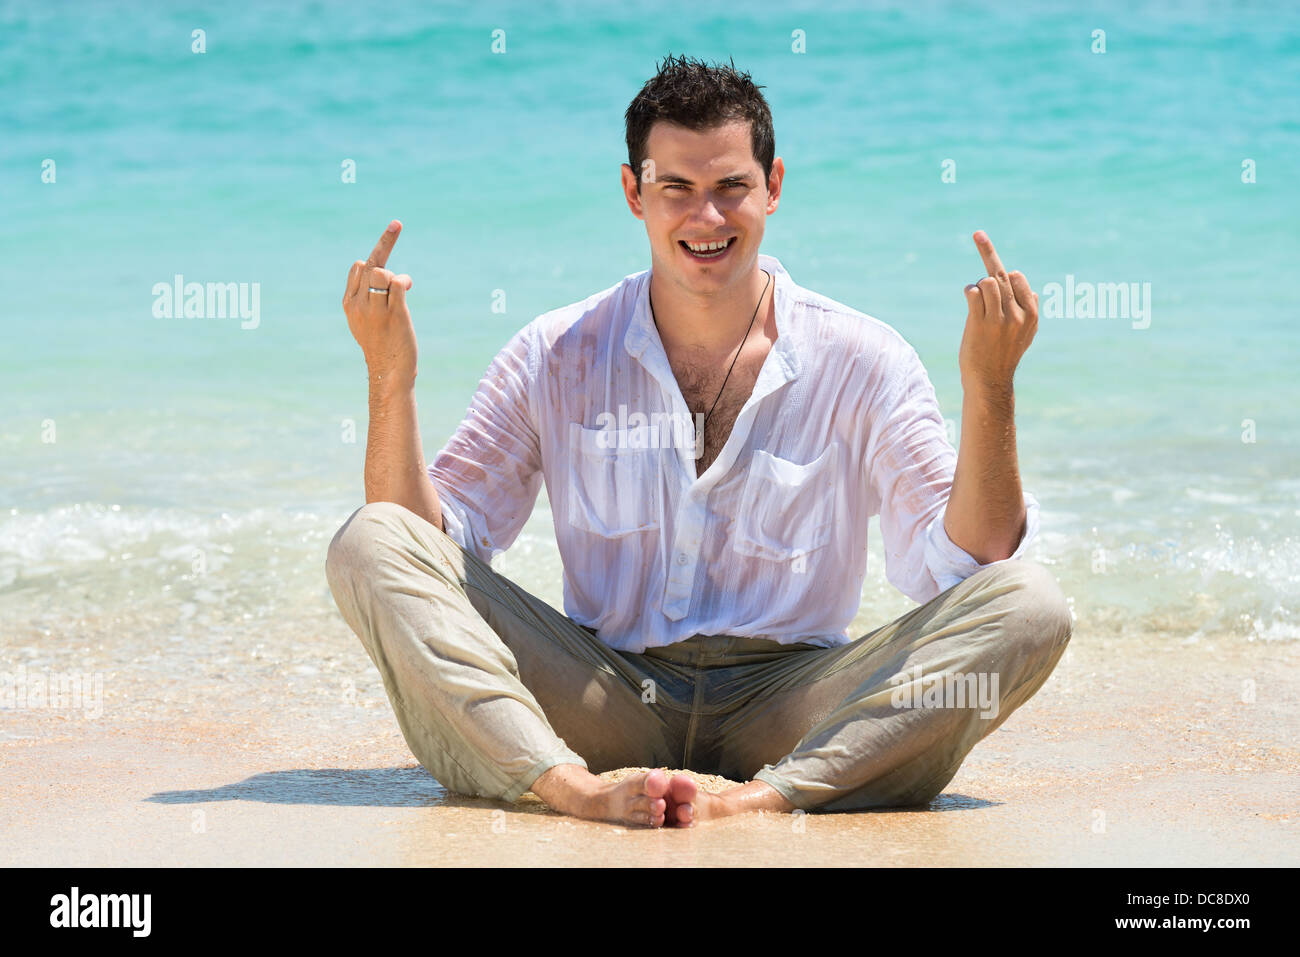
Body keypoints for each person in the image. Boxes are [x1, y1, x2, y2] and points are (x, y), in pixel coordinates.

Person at [326, 55, 1072, 828]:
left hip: (793, 704)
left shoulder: (864, 358)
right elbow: (431, 545)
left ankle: (764, 797)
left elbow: (968, 566)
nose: (705, 217)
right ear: (633, 192)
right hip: (601, 693)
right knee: (369, 538)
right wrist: (390, 379)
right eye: (675, 188)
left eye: (730, 188)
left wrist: (990, 385)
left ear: (773, 187)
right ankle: (567, 789)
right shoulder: (556, 351)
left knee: (1031, 602)